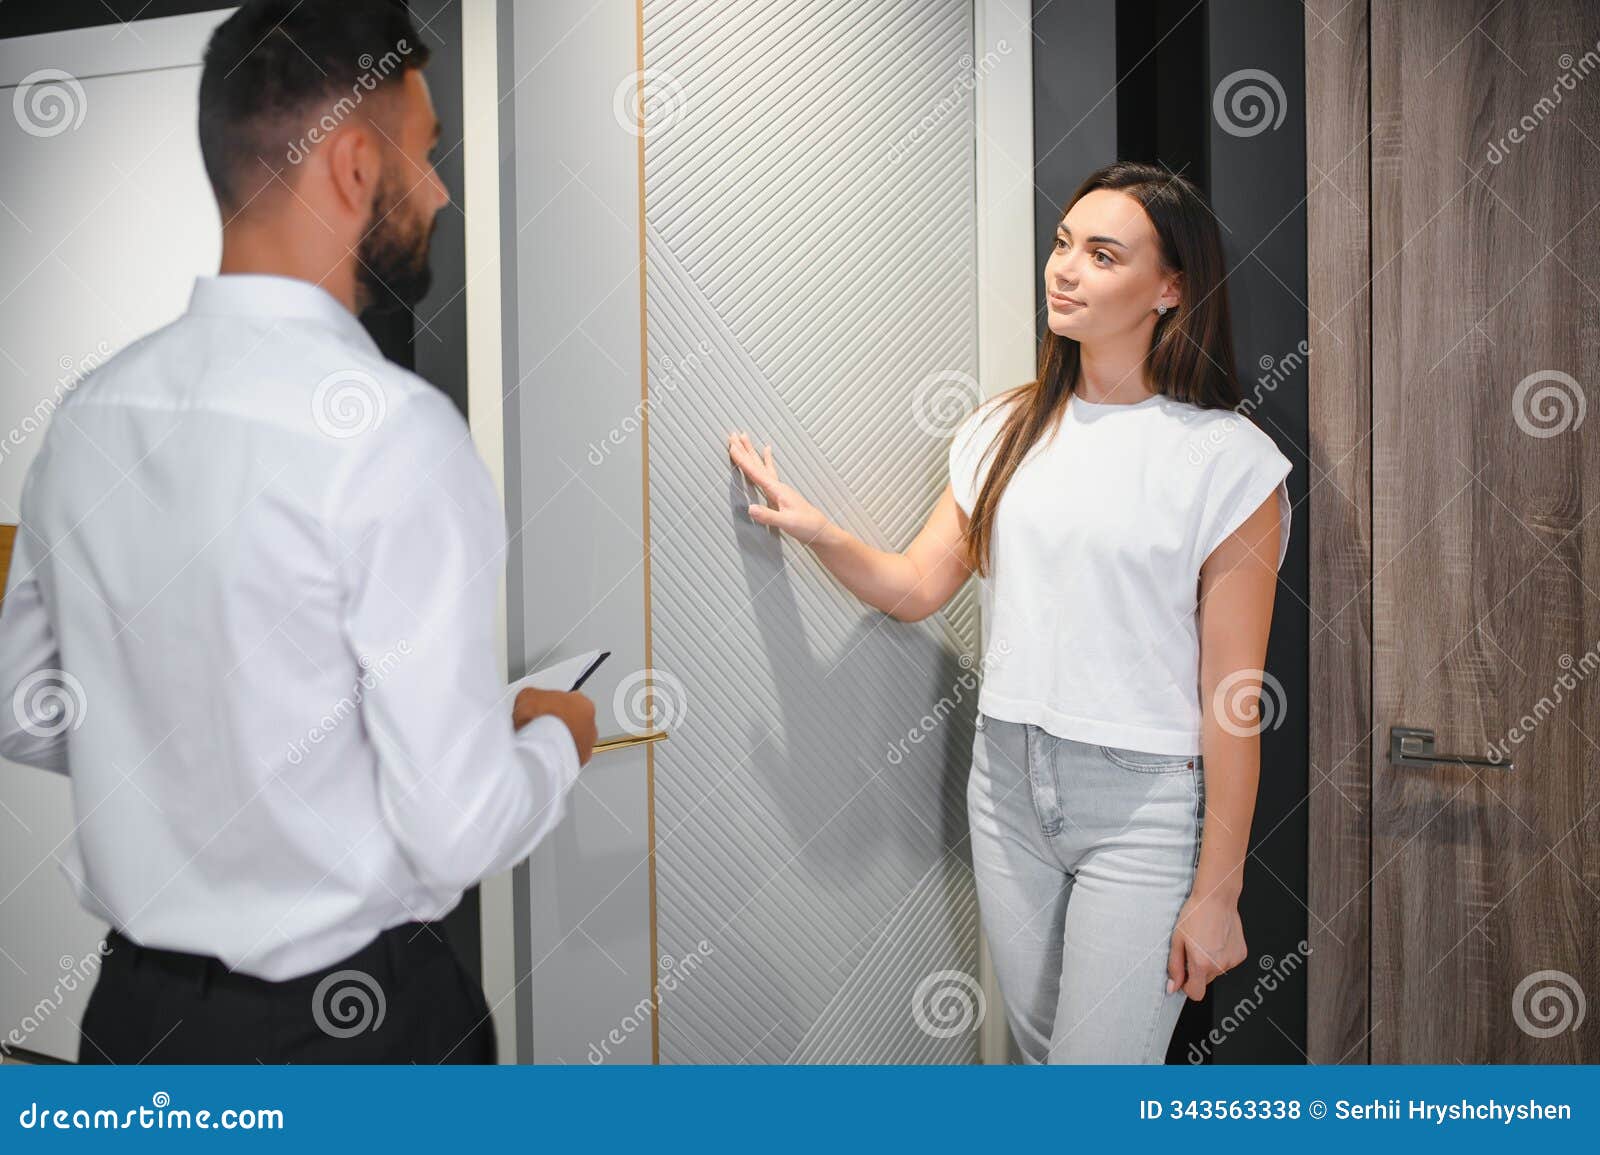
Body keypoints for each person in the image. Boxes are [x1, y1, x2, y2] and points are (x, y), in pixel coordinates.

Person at [0, 0, 595, 1064]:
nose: (442, 189)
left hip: (134, 1027)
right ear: (356, 168)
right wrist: (558, 738)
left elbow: (21, 707)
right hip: (349, 1034)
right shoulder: (398, 437)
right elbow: (456, 829)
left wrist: (199, 752)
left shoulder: (91, 413)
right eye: (427, 153)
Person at [727, 161, 1293, 1063]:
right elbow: (916, 588)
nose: (1064, 269)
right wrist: (817, 530)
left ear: (1171, 287)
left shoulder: (1229, 460)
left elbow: (1234, 696)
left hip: (1142, 802)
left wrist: (1218, 890)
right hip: (1002, 781)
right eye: (1063, 244)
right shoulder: (1003, 428)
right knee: (1038, 1065)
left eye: (1102, 254)